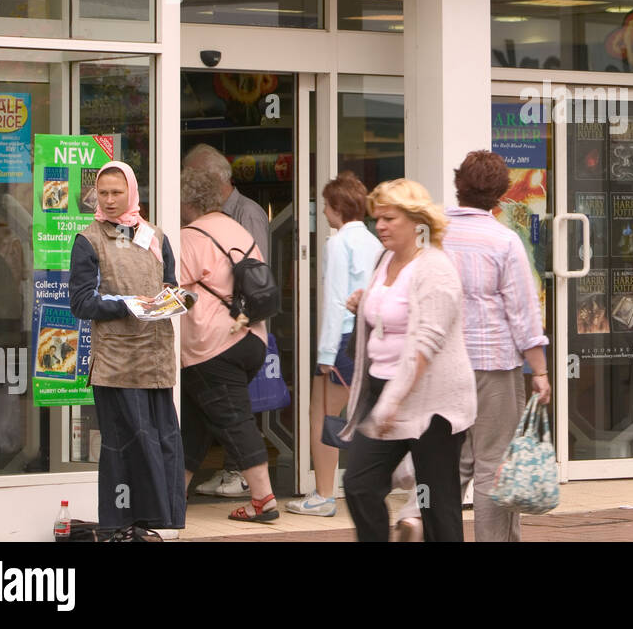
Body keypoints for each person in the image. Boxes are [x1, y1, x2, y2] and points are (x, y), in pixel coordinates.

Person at [408, 151, 551, 542]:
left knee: (446, 465)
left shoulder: (432, 236)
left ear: (459, 186)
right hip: (493, 365)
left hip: (440, 367)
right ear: (502, 194)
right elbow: (523, 313)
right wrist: (539, 371)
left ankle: (432, 531)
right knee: (493, 466)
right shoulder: (504, 241)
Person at [337, 179, 477, 542]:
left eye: (389, 218)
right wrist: (364, 302)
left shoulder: (435, 268)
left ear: (417, 221)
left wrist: (394, 402)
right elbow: (391, 310)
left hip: (433, 401)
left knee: (436, 502)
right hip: (386, 390)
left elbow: (424, 345)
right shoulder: (385, 260)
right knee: (359, 484)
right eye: (377, 219)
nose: (380, 226)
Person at [68, 160, 185, 535]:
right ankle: (120, 526)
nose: (110, 199)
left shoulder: (155, 236)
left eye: (117, 192)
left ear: (132, 192)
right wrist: (127, 304)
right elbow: (82, 302)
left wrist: (179, 298)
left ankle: (152, 525)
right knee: (124, 450)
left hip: (155, 360)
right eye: (103, 193)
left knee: (160, 444)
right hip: (116, 364)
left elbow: (169, 284)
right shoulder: (88, 240)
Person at [178, 166, 278, 523]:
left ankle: (263, 500)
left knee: (235, 421)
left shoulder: (190, 237)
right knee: (195, 422)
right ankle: (174, 496)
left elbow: (171, 293)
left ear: (186, 200)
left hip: (212, 346)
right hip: (250, 338)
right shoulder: (236, 230)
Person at [286, 172, 383, 517]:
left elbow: (335, 301)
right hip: (368, 339)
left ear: (337, 207)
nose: (323, 211)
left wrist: (325, 354)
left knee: (323, 415)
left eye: (325, 205)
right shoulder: (374, 242)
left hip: (341, 340)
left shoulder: (337, 243)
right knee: (368, 415)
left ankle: (324, 494)